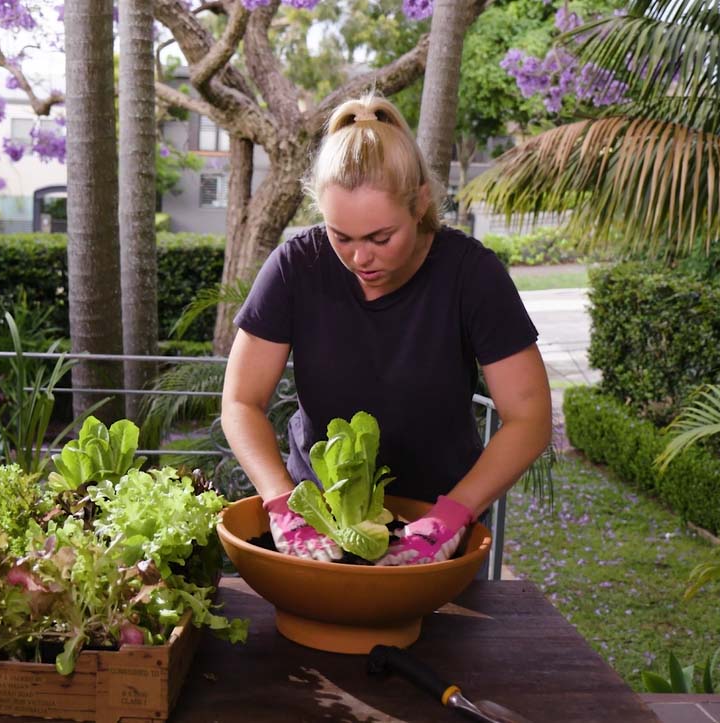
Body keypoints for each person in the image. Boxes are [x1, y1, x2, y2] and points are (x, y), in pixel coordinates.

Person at [220, 94, 552, 566]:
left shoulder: (472, 275)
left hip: (436, 525)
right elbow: (241, 401)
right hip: (317, 527)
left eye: (380, 238)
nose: (361, 258)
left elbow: (529, 417)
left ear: (420, 203)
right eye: (341, 237)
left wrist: (451, 517)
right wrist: (281, 503)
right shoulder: (296, 266)